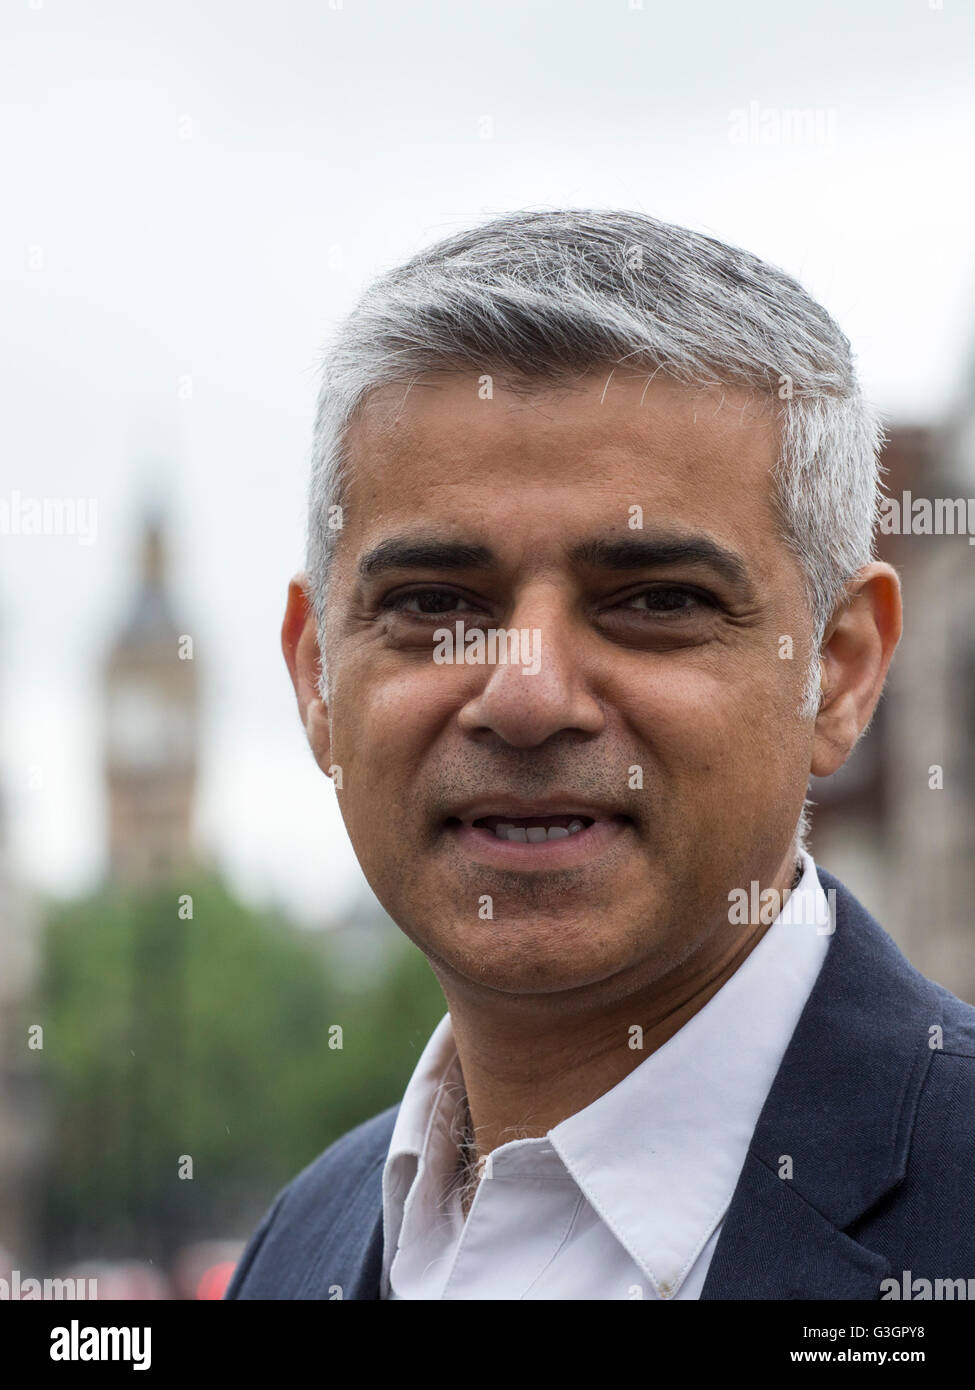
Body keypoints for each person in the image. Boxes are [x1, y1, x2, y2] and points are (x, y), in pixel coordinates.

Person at [225, 208, 975, 1300]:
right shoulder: (299, 1246)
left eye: (656, 601)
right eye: (436, 603)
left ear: (843, 670)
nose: (527, 695)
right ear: (316, 678)